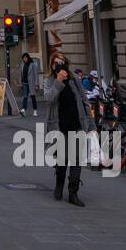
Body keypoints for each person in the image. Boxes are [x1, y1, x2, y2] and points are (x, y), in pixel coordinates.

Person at [44, 61, 93, 206]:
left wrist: (91, 125)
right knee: (62, 159)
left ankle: (73, 193)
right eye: (56, 63)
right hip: (60, 127)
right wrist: (58, 82)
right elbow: (48, 99)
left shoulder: (74, 81)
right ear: (52, 67)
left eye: (62, 63)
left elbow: (85, 102)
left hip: (77, 124)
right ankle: (59, 185)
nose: (60, 67)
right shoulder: (49, 81)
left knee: (77, 160)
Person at [19, 52, 40, 118]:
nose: (24, 59)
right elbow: (21, 74)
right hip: (25, 83)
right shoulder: (22, 65)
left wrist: (36, 84)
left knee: (32, 96)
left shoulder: (33, 64)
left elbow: (36, 75)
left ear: (28, 57)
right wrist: (21, 82)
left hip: (31, 83)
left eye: (25, 58)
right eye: (23, 58)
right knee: (25, 97)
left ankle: (35, 110)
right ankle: (23, 110)